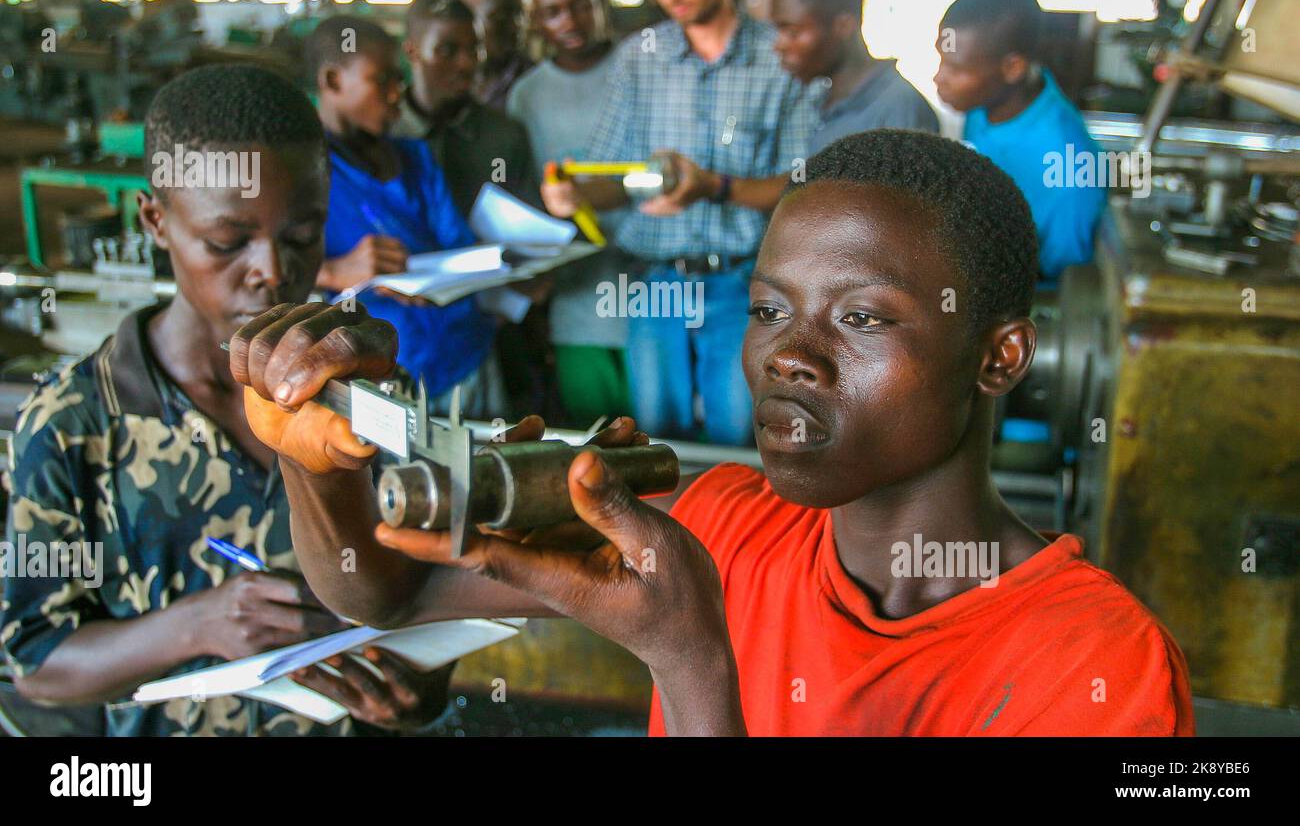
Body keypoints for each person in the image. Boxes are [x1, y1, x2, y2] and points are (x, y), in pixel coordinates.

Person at [230, 129, 1194, 737]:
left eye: (860, 318)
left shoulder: (1095, 670)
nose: (789, 357)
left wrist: (690, 663)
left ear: (1000, 357)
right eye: (771, 311)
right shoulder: (725, 528)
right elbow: (384, 591)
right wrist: (316, 459)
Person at [0, 65, 453, 735]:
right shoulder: (75, 423)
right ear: (155, 220)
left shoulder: (370, 396)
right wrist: (198, 625)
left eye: (303, 238)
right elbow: (37, 664)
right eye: (226, 242)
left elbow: (428, 595)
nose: (272, 269)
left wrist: (423, 691)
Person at [540, 0, 815, 446]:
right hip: (656, 282)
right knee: (659, 447)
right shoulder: (639, 59)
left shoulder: (776, 59)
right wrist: (574, 194)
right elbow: (610, 180)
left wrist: (713, 187)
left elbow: (802, 186)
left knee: (741, 442)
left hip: (746, 284)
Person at [643, 0, 939, 216]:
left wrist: (714, 186)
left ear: (843, 26)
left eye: (792, 31)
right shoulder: (817, 98)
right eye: (777, 29)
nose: (778, 45)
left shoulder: (899, 111)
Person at [307, 15, 503, 416]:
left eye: (399, 80)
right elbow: (261, 266)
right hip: (385, 377)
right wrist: (332, 271)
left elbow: (458, 244)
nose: (398, 95)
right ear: (332, 82)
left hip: (465, 354)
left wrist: (435, 276)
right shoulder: (303, 172)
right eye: (382, 81)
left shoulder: (414, 156)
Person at [507, 0, 635, 428]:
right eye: (552, 11)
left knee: (669, 444)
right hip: (578, 294)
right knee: (598, 442)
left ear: (600, 0)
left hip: (653, 286)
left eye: (580, 5)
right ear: (535, 20)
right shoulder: (528, 95)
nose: (570, 21)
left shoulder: (640, 70)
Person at [934, 0, 1106, 280]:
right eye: (941, 60)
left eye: (956, 68)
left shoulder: (1070, 172)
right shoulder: (986, 104)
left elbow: (1063, 285)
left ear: (1013, 68)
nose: (938, 78)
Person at [392, 0, 538, 219]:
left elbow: (530, 226)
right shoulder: (386, 135)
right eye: (448, 51)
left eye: (474, 49)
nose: (466, 63)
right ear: (412, 52)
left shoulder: (505, 137)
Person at [459, 0, 535, 113]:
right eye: (500, 17)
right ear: (469, 20)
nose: (515, 27)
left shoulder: (534, 82)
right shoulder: (453, 81)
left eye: (518, 15)